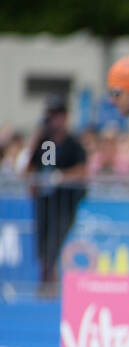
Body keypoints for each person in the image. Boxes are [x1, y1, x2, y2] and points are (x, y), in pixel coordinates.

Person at [25, 97, 87, 295]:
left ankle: (51, 285)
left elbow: (81, 171)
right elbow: (38, 168)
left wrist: (61, 178)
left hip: (65, 206)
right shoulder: (47, 144)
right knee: (44, 248)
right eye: (52, 115)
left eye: (59, 115)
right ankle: (46, 284)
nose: (55, 120)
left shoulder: (73, 144)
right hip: (46, 204)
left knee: (53, 245)